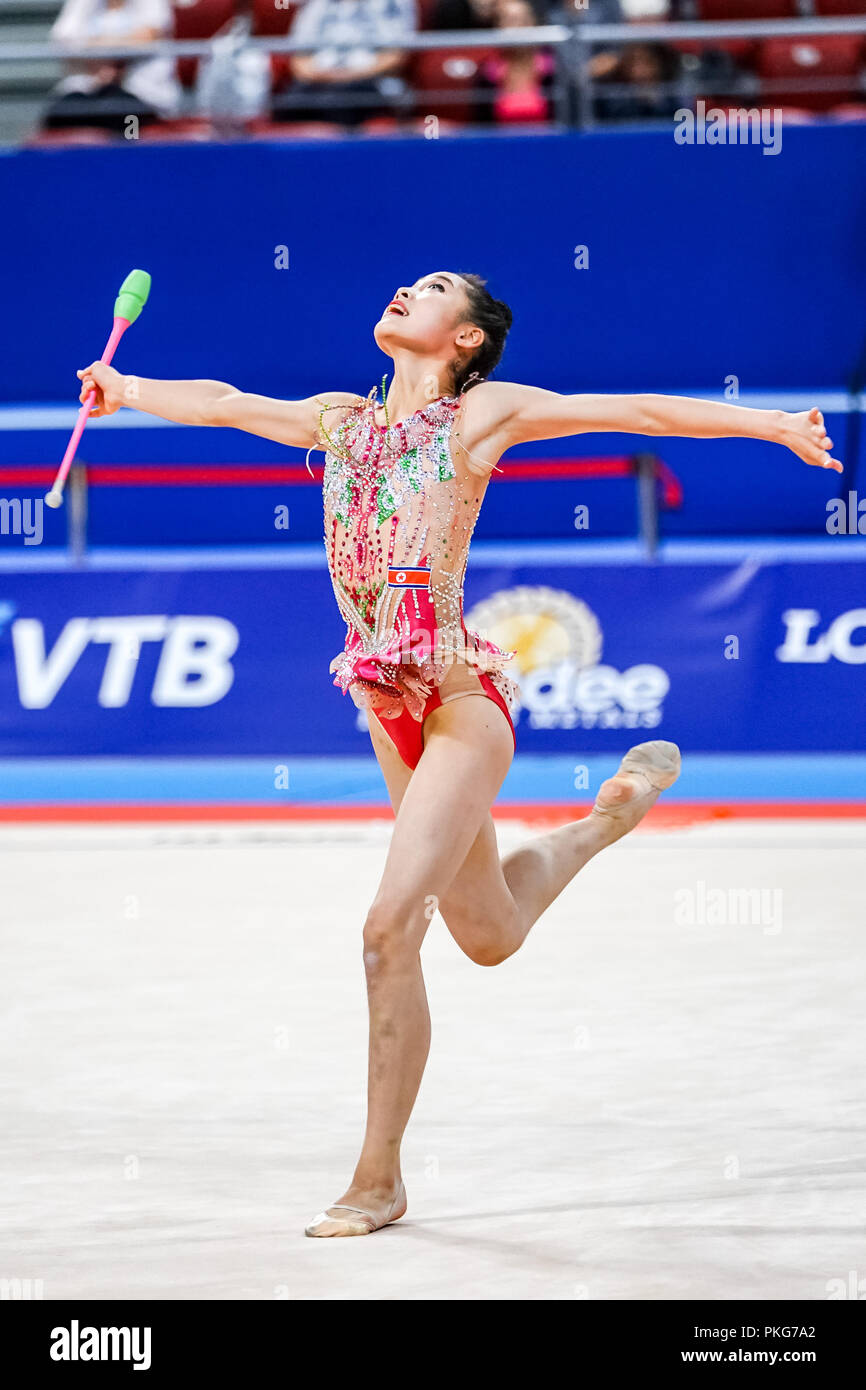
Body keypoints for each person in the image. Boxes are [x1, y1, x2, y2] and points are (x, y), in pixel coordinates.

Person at [77, 271, 841, 1238]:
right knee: (490, 934)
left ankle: (377, 1178)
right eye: (404, 282)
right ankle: (608, 820)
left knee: (387, 930)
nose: (402, 289)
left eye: (431, 290)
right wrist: (125, 390)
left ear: (466, 339)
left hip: (454, 703)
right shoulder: (340, 421)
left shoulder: (480, 418)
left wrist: (774, 425)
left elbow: (634, 410)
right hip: (381, 706)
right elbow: (228, 407)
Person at [273, 0, 416, 128]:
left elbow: (396, 57)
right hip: (319, 81)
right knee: (290, 101)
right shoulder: (315, 4)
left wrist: (347, 75)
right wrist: (328, 77)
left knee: (342, 99)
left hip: (372, 81)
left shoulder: (394, 3)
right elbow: (298, 59)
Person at [44, 0, 179, 134]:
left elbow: (147, 37)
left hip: (140, 97)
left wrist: (92, 47)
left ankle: (129, 152)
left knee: (126, 125)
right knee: (61, 113)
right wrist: (116, 47)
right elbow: (63, 39)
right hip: (89, 92)